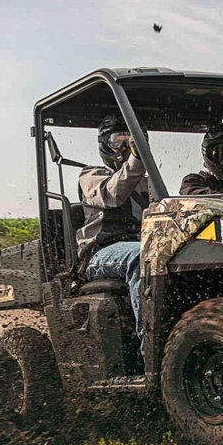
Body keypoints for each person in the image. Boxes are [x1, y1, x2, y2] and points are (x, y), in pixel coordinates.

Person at [76, 114, 149, 351]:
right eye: (120, 141)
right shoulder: (91, 176)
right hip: (99, 253)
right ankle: (149, 349)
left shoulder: (147, 182)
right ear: (105, 145)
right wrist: (138, 159)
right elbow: (113, 194)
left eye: (132, 141)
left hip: (142, 245)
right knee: (142, 258)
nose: (126, 148)